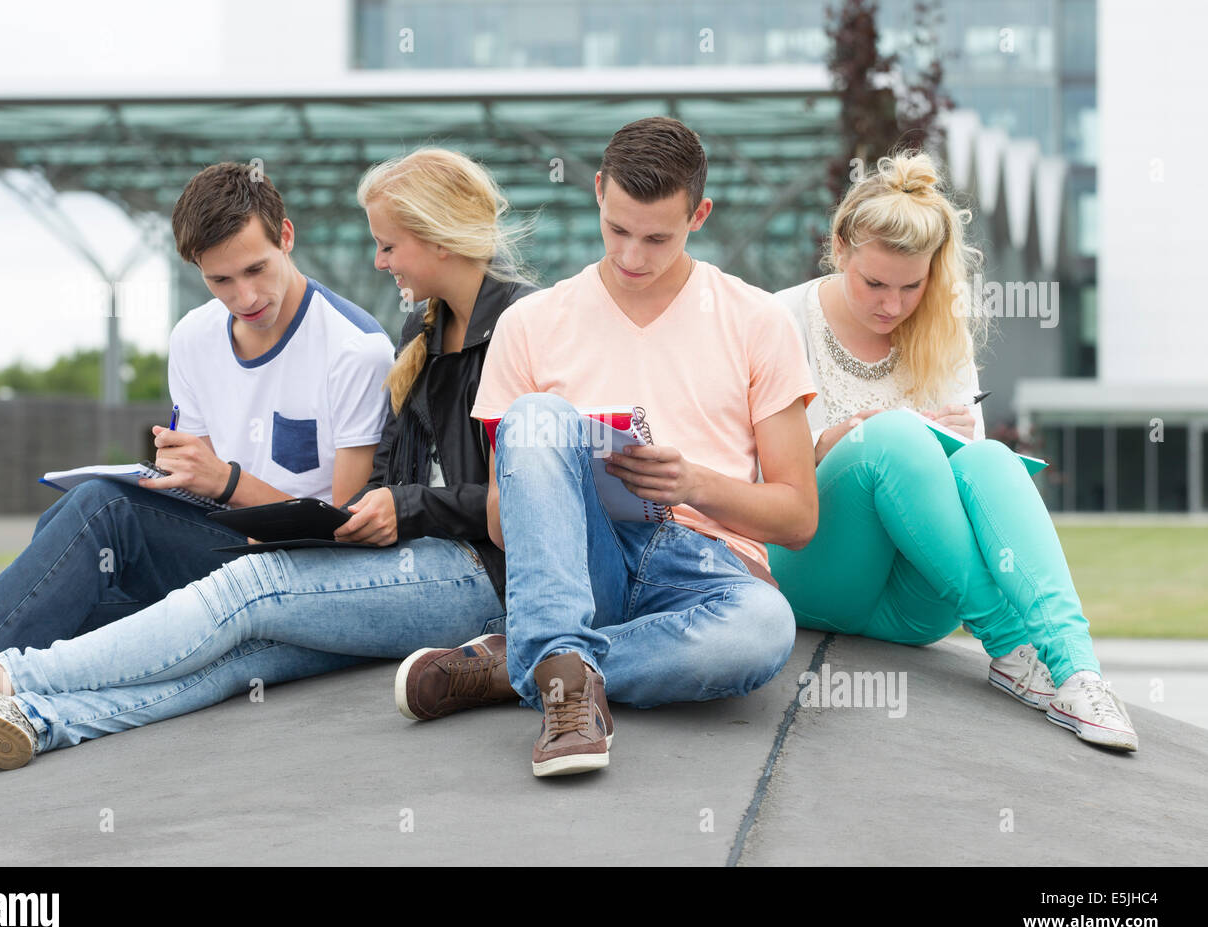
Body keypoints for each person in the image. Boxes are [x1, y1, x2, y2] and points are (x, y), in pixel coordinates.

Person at [0, 147, 536, 772]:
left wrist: (233, 481)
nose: (244, 296)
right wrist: (186, 479)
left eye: (389, 245)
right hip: (291, 548)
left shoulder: (396, 342)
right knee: (86, 581)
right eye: (220, 280)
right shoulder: (409, 335)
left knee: (130, 542)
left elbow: (384, 515)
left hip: (372, 564)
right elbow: (367, 490)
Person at [414, 116, 820, 777]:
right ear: (599, 191)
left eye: (658, 238)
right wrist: (564, 472)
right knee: (540, 416)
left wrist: (692, 485)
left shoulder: (758, 321)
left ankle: (533, 663)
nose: (633, 256)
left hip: (703, 573)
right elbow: (499, 523)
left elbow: (799, 518)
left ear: (701, 214)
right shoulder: (529, 325)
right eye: (618, 230)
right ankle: (564, 681)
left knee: (765, 630)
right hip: (578, 563)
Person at [768, 151, 1138, 751]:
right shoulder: (777, 317)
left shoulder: (941, 329)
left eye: (911, 286)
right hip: (814, 578)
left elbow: (969, 484)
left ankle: (1076, 671)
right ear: (840, 248)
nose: (892, 304)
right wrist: (839, 438)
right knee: (888, 435)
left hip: (915, 608)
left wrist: (962, 437)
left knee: (990, 458)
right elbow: (744, 480)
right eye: (874, 283)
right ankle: (1011, 643)